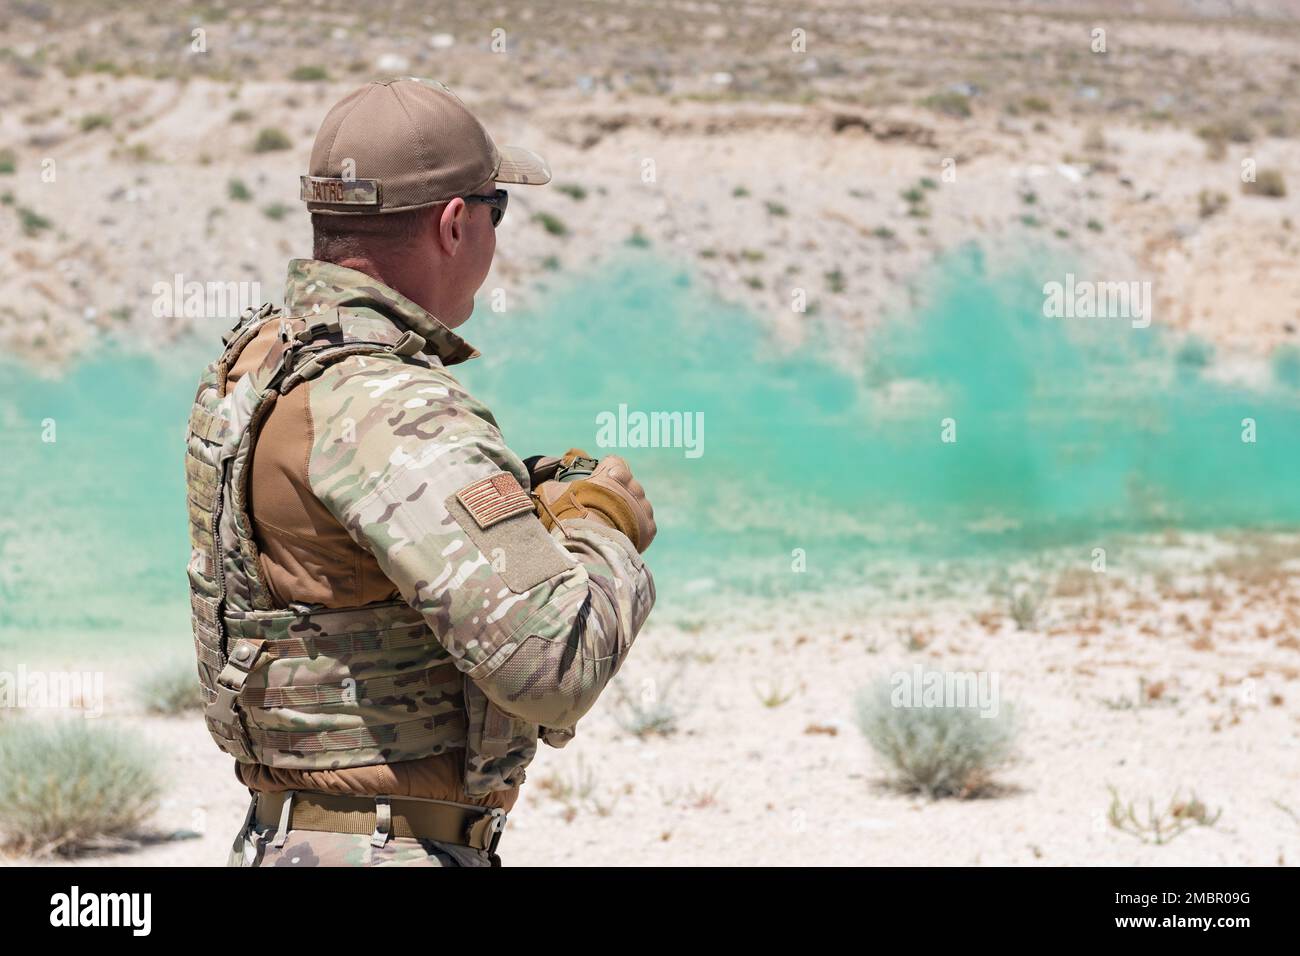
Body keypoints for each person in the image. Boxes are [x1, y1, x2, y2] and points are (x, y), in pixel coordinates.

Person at [182, 78, 656, 867]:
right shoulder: (388, 403)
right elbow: (553, 666)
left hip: (290, 837)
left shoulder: (266, 360)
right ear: (454, 223)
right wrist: (600, 520)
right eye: (495, 211)